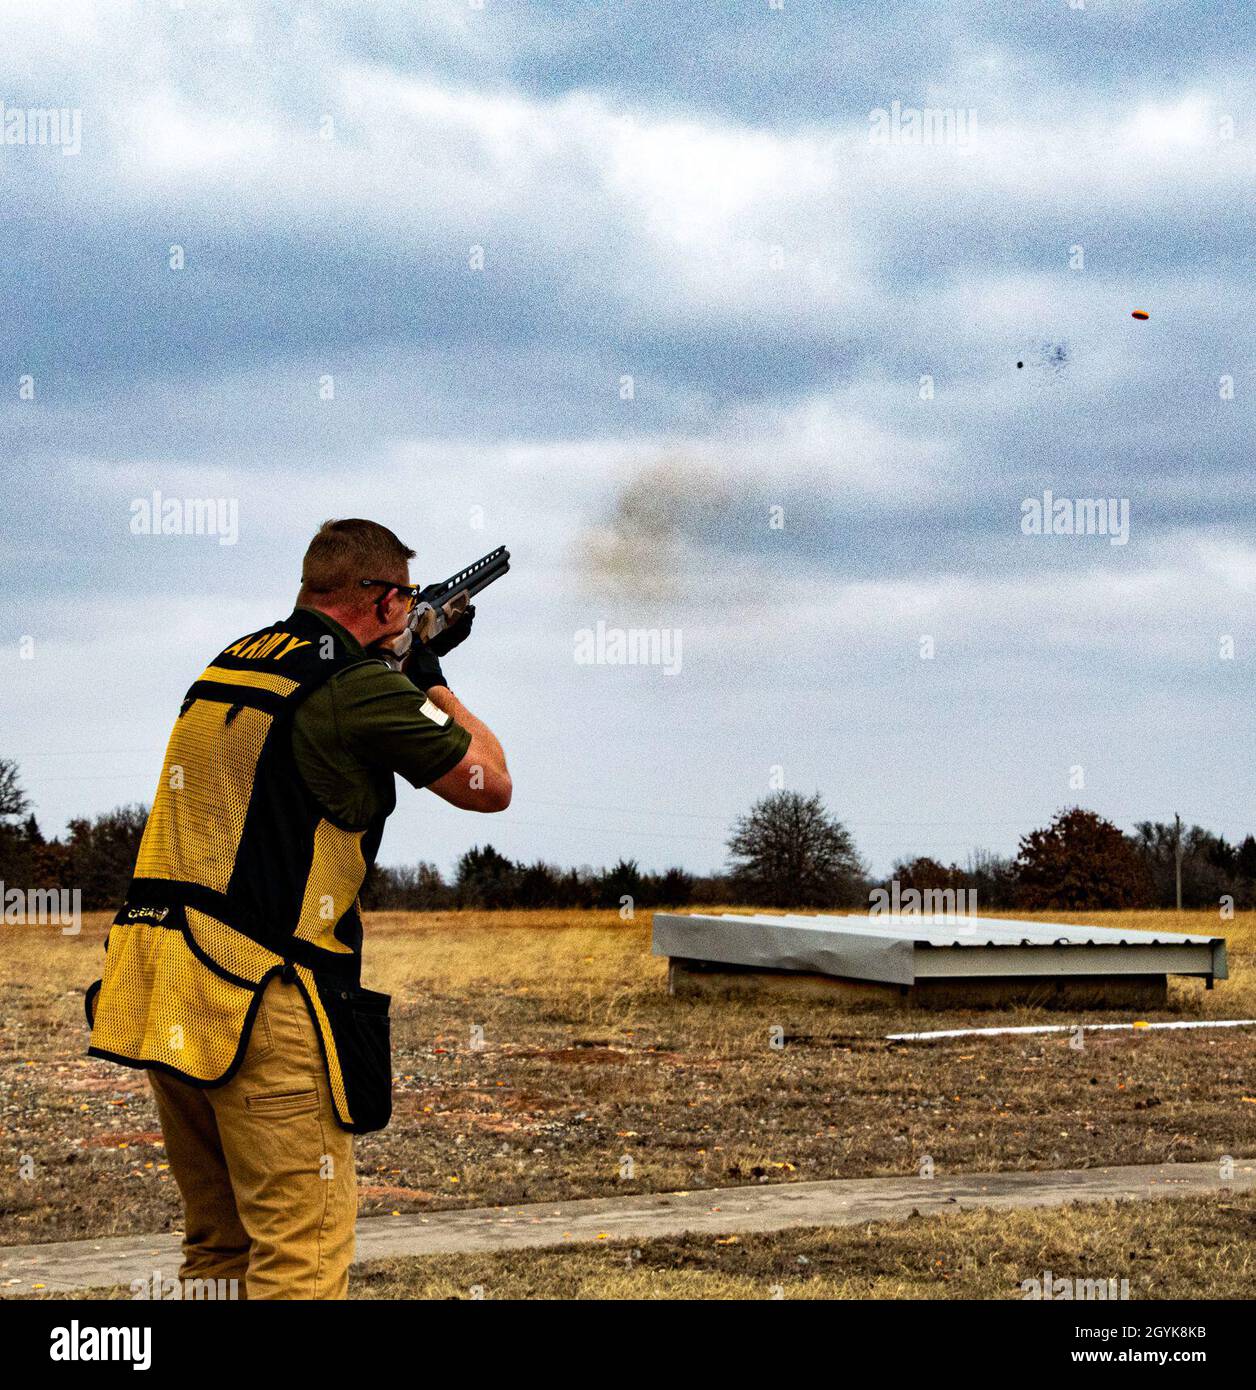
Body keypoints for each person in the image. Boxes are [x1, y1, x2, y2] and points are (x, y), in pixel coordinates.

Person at [86, 518, 510, 1299]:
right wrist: (425, 673)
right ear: (385, 601)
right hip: (262, 998)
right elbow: (489, 783)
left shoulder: (236, 659)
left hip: (162, 984)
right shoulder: (358, 683)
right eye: (407, 599)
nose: (410, 608)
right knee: (301, 1259)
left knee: (219, 1253)